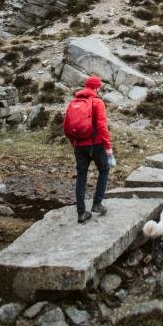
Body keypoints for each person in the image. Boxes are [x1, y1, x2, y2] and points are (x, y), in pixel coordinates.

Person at [62, 75, 113, 223]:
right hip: (96, 144)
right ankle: (97, 203)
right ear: (97, 88)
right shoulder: (97, 102)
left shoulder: (73, 102)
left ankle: (81, 213)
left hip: (79, 145)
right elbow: (102, 126)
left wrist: (74, 143)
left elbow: (66, 127)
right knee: (104, 169)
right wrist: (108, 147)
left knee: (81, 176)